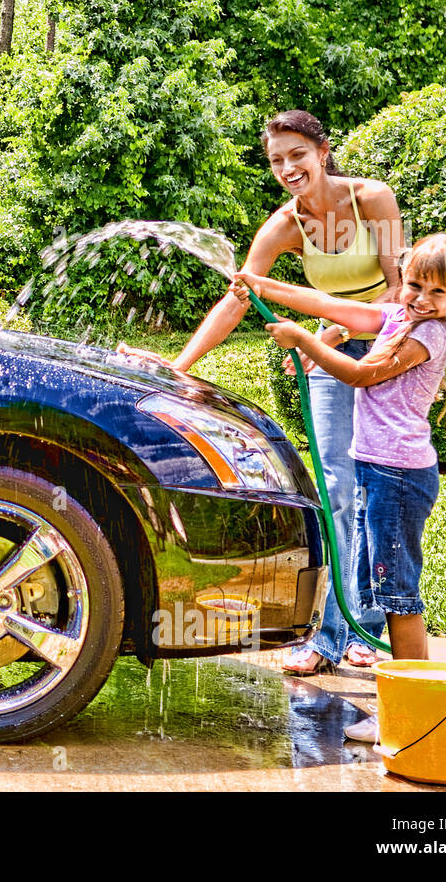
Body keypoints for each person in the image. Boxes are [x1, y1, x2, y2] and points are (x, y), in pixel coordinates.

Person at [134, 110, 405, 674]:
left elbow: (400, 297)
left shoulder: (371, 200)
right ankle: (330, 635)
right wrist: (180, 364)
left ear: (323, 151)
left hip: (386, 355)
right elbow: (239, 296)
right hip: (329, 357)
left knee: (376, 489)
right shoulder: (283, 226)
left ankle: (368, 627)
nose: (288, 168)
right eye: (277, 160)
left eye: (297, 155)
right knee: (336, 489)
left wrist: (331, 334)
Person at [230, 233, 446, 741]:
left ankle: (412, 718)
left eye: (437, 292)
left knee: (398, 595)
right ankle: (409, 709)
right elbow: (329, 304)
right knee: (384, 586)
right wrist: (262, 284)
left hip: (399, 478)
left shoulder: (427, 336)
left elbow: (362, 375)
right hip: (380, 472)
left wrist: (305, 342)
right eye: (413, 284)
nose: (420, 298)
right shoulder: (398, 317)